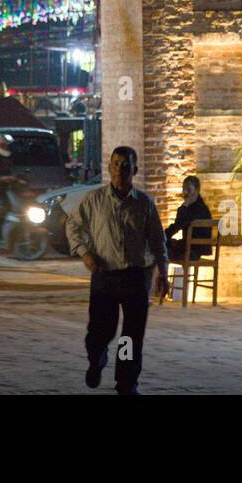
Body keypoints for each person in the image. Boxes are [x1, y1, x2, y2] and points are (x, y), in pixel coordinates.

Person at [65, 146, 167, 394]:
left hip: (135, 275)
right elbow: (73, 227)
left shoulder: (144, 204)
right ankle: (97, 358)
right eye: (116, 164)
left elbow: (157, 239)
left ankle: (126, 381)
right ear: (109, 168)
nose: (120, 170)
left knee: (130, 336)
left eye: (126, 165)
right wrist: (85, 253)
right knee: (101, 330)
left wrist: (163, 272)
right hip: (105, 275)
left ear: (135, 169)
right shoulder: (94, 201)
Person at [165, 175, 213, 262]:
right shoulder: (204, 208)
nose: (185, 192)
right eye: (183, 189)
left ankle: (158, 275)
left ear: (197, 190)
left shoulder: (194, 209)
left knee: (160, 249)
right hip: (196, 250)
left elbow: (177, 226)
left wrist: (184, 205)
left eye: (188, 189)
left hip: (190, 252)